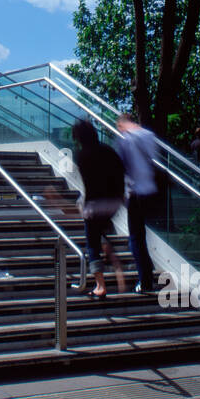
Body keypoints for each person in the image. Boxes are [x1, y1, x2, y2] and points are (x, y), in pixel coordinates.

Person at [72, 120, 127, 299]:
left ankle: (100, 286)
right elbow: (120, 172)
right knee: (100, 232)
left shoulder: (81, 155)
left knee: (92, 244)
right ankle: (111, 252)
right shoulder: (109, 151)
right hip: (114, 203)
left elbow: (89, 184)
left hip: (94, 205)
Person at [115, 113, 160, 293]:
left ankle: (145, 279)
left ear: (121, 124)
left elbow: (122, 167)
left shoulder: (126, 139)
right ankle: (147, 270)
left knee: (135, 237)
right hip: (151, 191)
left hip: (135, 193)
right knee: (140, 236)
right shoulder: (149, 135)